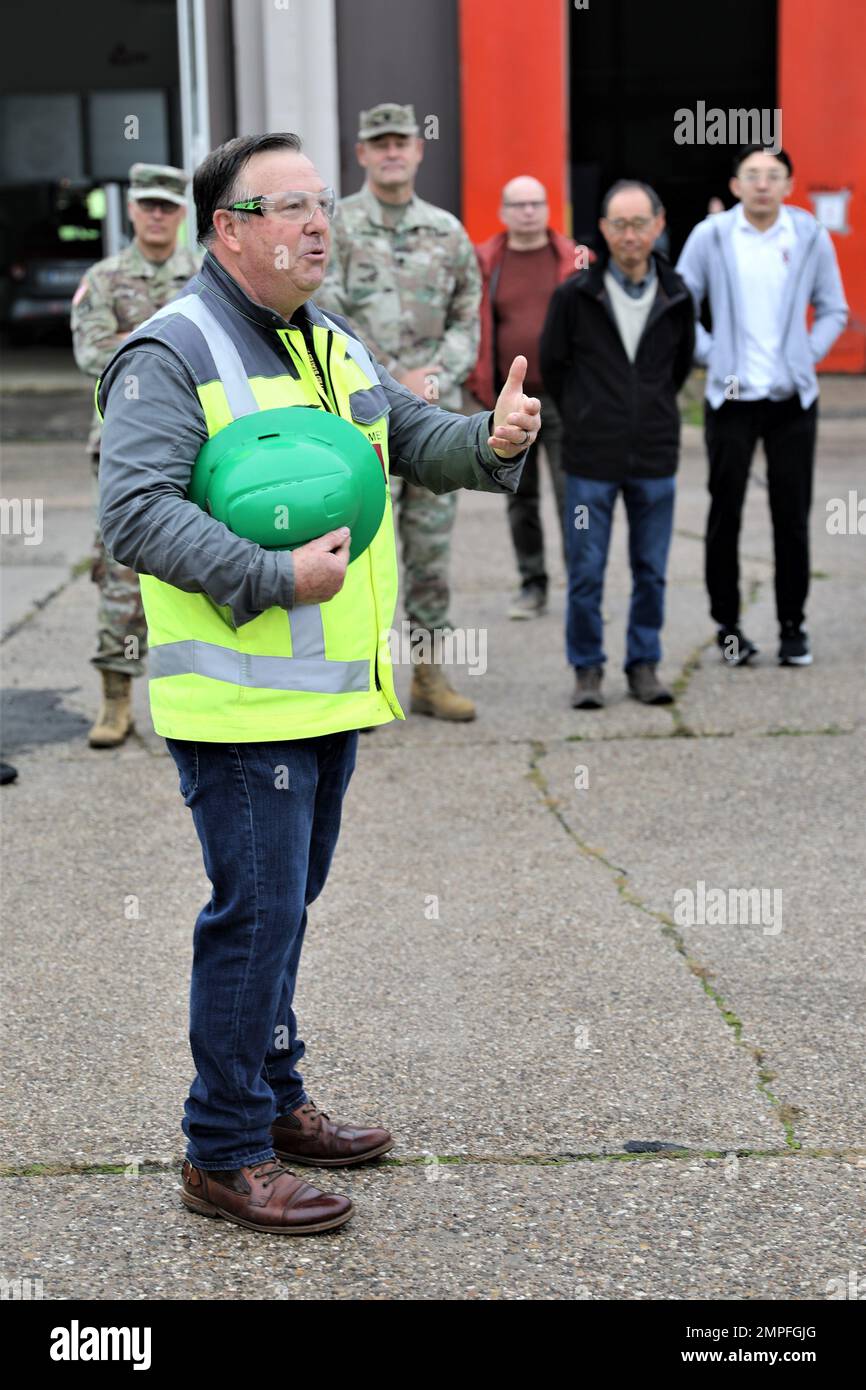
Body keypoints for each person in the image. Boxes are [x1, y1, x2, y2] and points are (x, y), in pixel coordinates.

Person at [95, 132, 538, 1236]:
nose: (315, 223)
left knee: (286, 913)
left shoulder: (326, 340)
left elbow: (403, 430)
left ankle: (276, 1099)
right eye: (285, 205)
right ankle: (224, 1149)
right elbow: (134, 512)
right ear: (227, 228)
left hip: (324, 692)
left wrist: (487, 438)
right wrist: (272, 575)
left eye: (319, 204)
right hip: (240, 703)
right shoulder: (172, 349)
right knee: (253, 920)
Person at [317, 103, 481, 720]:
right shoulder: (333, 229)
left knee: (431, 558)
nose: (391, 151)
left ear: (418, 149)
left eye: (401, 142)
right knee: (360, 555)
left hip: (436, 419)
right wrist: (393, 381)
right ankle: (365, 684)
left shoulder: (447, 231)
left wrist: (436, 375)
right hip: (359, 423)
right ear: (361, 153)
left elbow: (468, 314)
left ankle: (431, 680)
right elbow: (326, 316)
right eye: (378, 142)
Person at [676, 145, 848, 667]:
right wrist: (711, 355)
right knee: (724, 512)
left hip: (791, 399)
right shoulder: (713, 235)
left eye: (774, 176)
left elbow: (834, 308)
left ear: (789, 185)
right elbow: (682, 303)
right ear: (735, 186)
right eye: (752, 176)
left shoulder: (810, 235)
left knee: (790, 515)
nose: (762, 185)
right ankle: (728, 629)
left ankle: (792, 627)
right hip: (730, 398)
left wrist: (806, 358)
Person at [540, 180, 695, 708]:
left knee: (650, 569)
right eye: (619, 224)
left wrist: (644, 411)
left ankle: (644, 665)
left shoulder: (677, 295)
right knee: (586, 570)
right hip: (590, 458)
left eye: (639, 223)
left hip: (654, 454)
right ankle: (587, 670)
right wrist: (589, 414)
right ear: (603, 230)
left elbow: (678, 368)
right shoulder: (576, 294)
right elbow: (553, 367)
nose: (630, 235)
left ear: (658, 224)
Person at [71, 163, 199, 748]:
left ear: (182, 213)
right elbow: (93, 352)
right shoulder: (103, 278)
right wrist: (168, 344)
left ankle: (203, 692)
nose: (156, 214)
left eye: (167, 206)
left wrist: (141, 344)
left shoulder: (205, 276)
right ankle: (116, 698)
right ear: (130, 209)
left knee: (200, 563)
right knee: (122, 574)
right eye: (147, 204)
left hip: (198, 445)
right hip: (123, 448)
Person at [468, 176, 579, 619]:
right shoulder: (486, 261)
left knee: (575, 496)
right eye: (518, 204)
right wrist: (481, 388)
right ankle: (532, 586)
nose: (528, 211)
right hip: (509, 404)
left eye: (536, 203)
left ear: (549, 208)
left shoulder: (573, 259)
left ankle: (581, 592)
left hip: (565, 401)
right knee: (521, 497)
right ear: (503, 212)